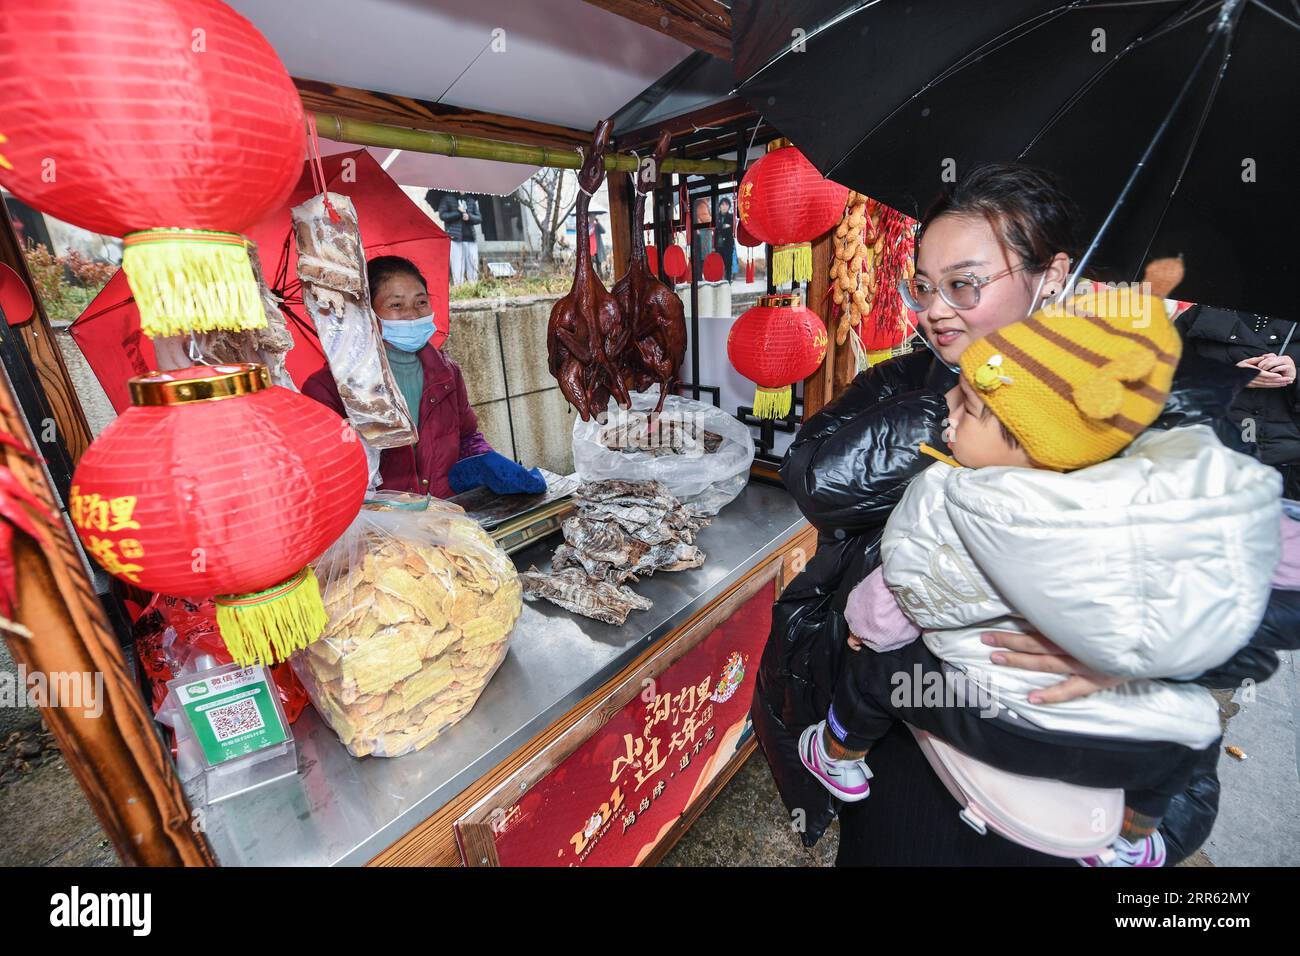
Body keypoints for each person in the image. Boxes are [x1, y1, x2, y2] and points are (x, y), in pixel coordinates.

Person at [752, 163, 1300, 865]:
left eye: (965, 283)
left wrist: (1133, 652)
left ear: (1052, 276)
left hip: (1077, 761)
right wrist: (973, 397)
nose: (936, 309)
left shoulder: (1147, 404)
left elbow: (1261, 596)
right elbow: (816, 479)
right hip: (912, 736)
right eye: (925, 285)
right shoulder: (910, 384)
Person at [302, 255, 492, 497]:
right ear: (367, 313)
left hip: (448, 516)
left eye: (421, 302)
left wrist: (486, 461)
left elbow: (467, 437)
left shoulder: (447, 372)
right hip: (383, 525)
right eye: (396, 305)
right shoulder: (327, 389)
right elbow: (330, 475)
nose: (413, 315)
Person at [1176, 305, 1300, 497]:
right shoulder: (1200, 315)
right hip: (1208, 458)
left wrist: (1295, 374)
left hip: (1288, 467)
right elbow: (1162, 382)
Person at [431, 190, 482, 285]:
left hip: (470, 237)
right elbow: (443, 215)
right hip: (455, 237)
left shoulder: (470, 200)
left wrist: (469, 217)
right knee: (457, 264)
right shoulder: (447, 198)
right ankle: (459, 287)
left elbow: (479, 218)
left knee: (473, 264)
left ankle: (474, 287)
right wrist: (458, 213)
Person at [715, 196, 735, 282]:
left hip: (728, 244)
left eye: (726, 204)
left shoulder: (731, 217)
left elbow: (731, 229)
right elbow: (716, 228)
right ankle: (718, 280)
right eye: (722, 204)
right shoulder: (716, 217)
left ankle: (728, 280)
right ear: (719, 206)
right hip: (718, 244)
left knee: (728, 264)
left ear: (729, 206)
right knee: (718, 264)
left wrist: (721, 227)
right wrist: (723, 226)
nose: (724, 206)